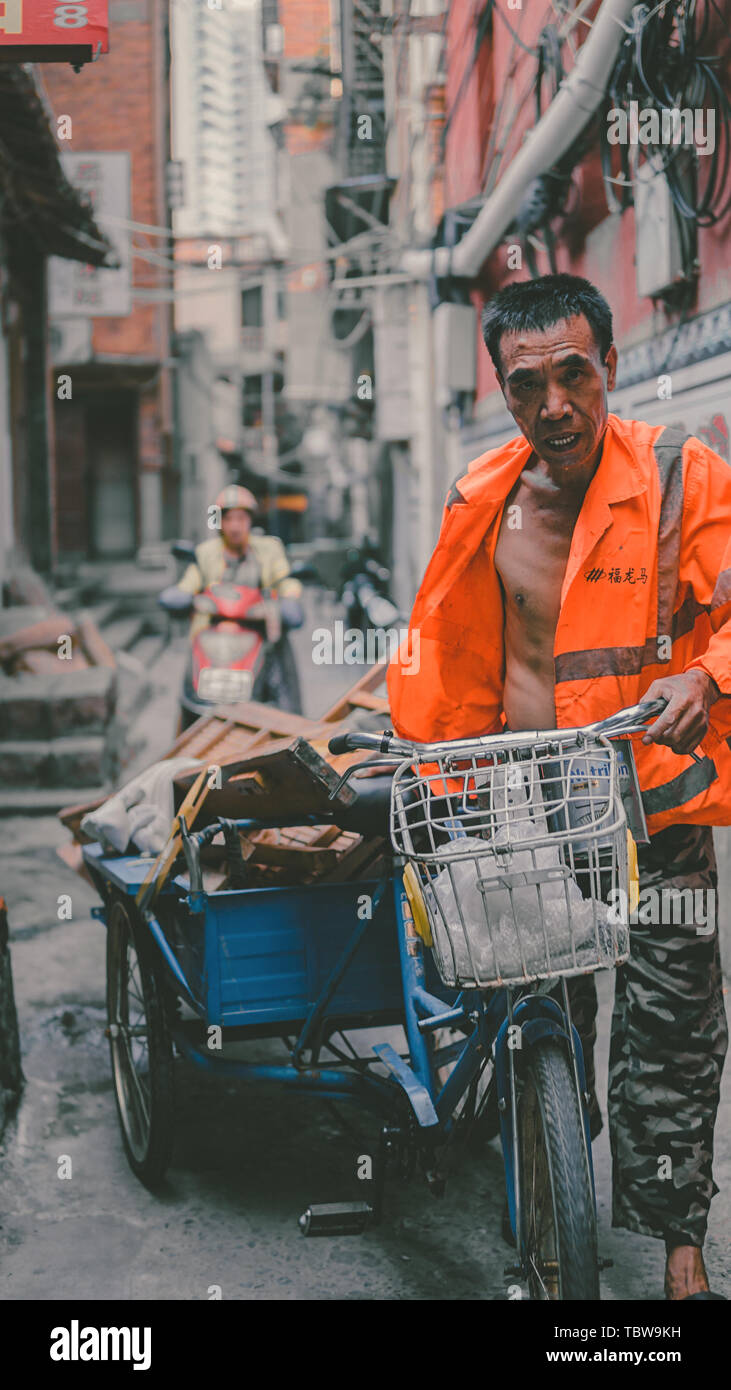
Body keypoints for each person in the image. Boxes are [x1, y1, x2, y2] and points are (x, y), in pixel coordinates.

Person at [388, 273, 729, 1301]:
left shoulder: (681, 476)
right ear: (501, 387)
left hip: (653, 811)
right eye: (526, 382)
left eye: (573, 373)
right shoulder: (478, 500)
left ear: (609, 368)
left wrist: (704, 671)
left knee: (672, 1030)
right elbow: (441, 657)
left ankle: (678, 1247)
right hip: (527, 817)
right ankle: (553, 1175)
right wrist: (433, 777)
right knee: (542, 1021)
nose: (554, 404)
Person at [176, 485, 302, 637]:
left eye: (241, 518)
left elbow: (284, 579)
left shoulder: (269, 549)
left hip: (260, 628)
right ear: (220, 522)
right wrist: (180, 594)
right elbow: (191, 581)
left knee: (282, 652)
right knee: (195, 658)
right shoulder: (205, 553)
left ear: (250, 520)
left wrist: (290, 597)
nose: (235, 526)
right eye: (228, 519)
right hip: (213, 631)